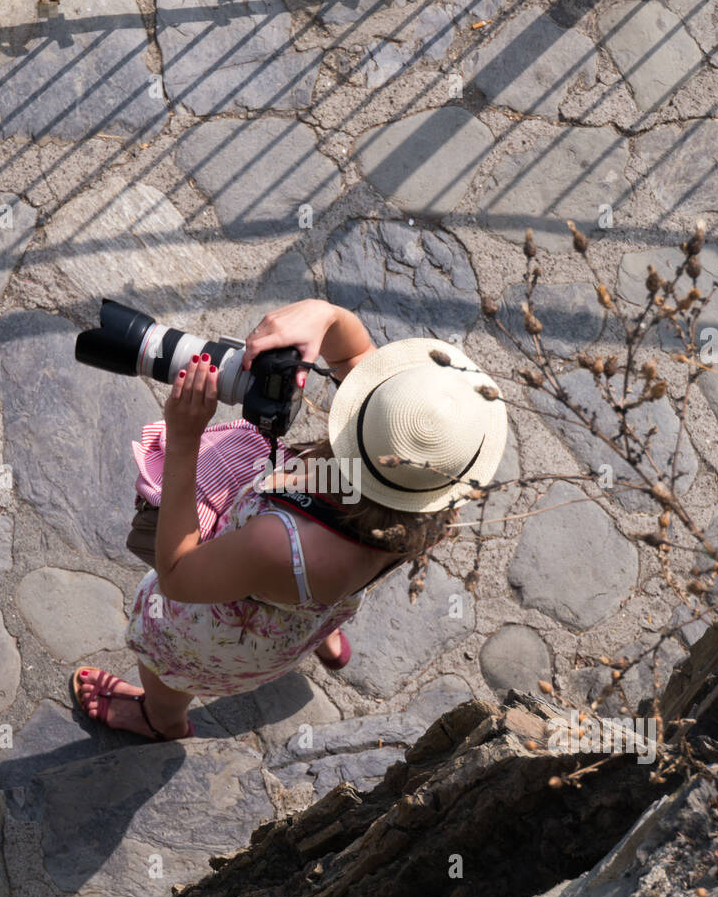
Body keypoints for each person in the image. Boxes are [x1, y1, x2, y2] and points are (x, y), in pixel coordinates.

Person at [72, 299, 508, 741]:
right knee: (304, 598)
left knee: (168, 672)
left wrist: (185, 437)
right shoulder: (426, 503)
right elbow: (352, 356)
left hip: (214, 636)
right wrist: (325, 315)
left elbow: (178, 577)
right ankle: (315, 628)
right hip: (310, 603)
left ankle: (160, 718)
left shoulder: (278, 543)